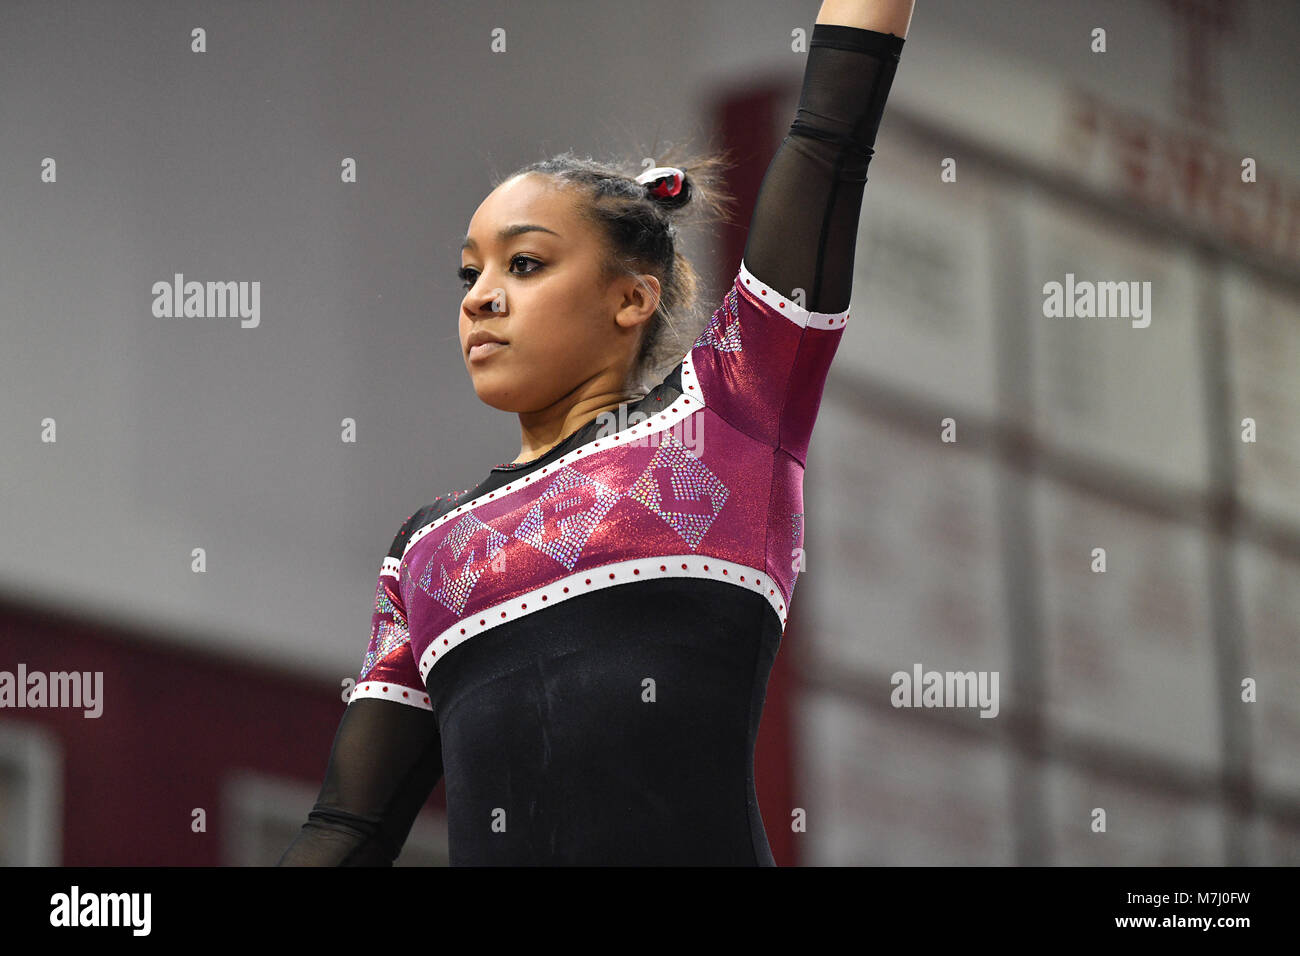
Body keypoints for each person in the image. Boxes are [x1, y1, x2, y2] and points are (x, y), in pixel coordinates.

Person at [278, 0, 914, 866]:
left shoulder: (727, 417)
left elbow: (829, 138)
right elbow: (347, 829)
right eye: (470, 273)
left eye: (525, 264)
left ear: (632, 297)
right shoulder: (429, 551)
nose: (479, 297)